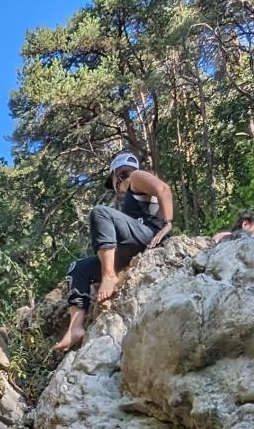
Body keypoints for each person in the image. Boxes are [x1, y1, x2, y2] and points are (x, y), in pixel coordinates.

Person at [54, 151, 174, 352]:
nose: (115, 189)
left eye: (113, 181)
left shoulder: (135, 177)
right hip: (133, 244)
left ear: (117, 174)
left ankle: (109, 275)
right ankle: (75, 327)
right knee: (79, 268)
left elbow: (163, 189)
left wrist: (166, 224)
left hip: (149, 235)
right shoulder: (127, 200)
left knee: (99, 212)